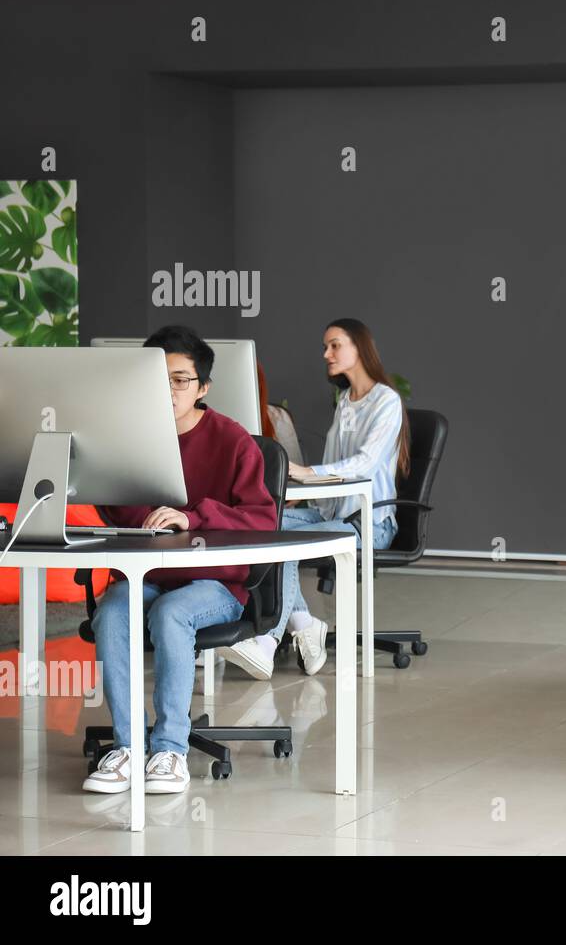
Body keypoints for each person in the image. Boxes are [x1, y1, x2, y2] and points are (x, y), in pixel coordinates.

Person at [83, 326, 278, 796]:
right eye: (158, 379)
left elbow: (262, 517)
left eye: (180, 380)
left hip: (213, 584)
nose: (168, 390)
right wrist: (148, 518)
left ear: (203, 387)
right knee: (113, 612)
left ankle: (169, 749)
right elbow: (113, 505)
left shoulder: (232, 440)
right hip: (147, 574)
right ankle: (128, 748)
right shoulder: (130, 437)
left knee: (171, 614)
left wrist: (191, 519)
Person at [218, 318, 407, 679]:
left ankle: (268, 642)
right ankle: (304, 623)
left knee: (288, 541)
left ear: (359, 347)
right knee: (264, 526)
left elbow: (365, 464)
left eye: (335, 345)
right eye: (326, 346)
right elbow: (337, 468)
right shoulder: (346, 401)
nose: (326, 354)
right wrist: (299, 489)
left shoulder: (387, 401)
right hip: (331, 515)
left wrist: (307, 472)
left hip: (369, 523)